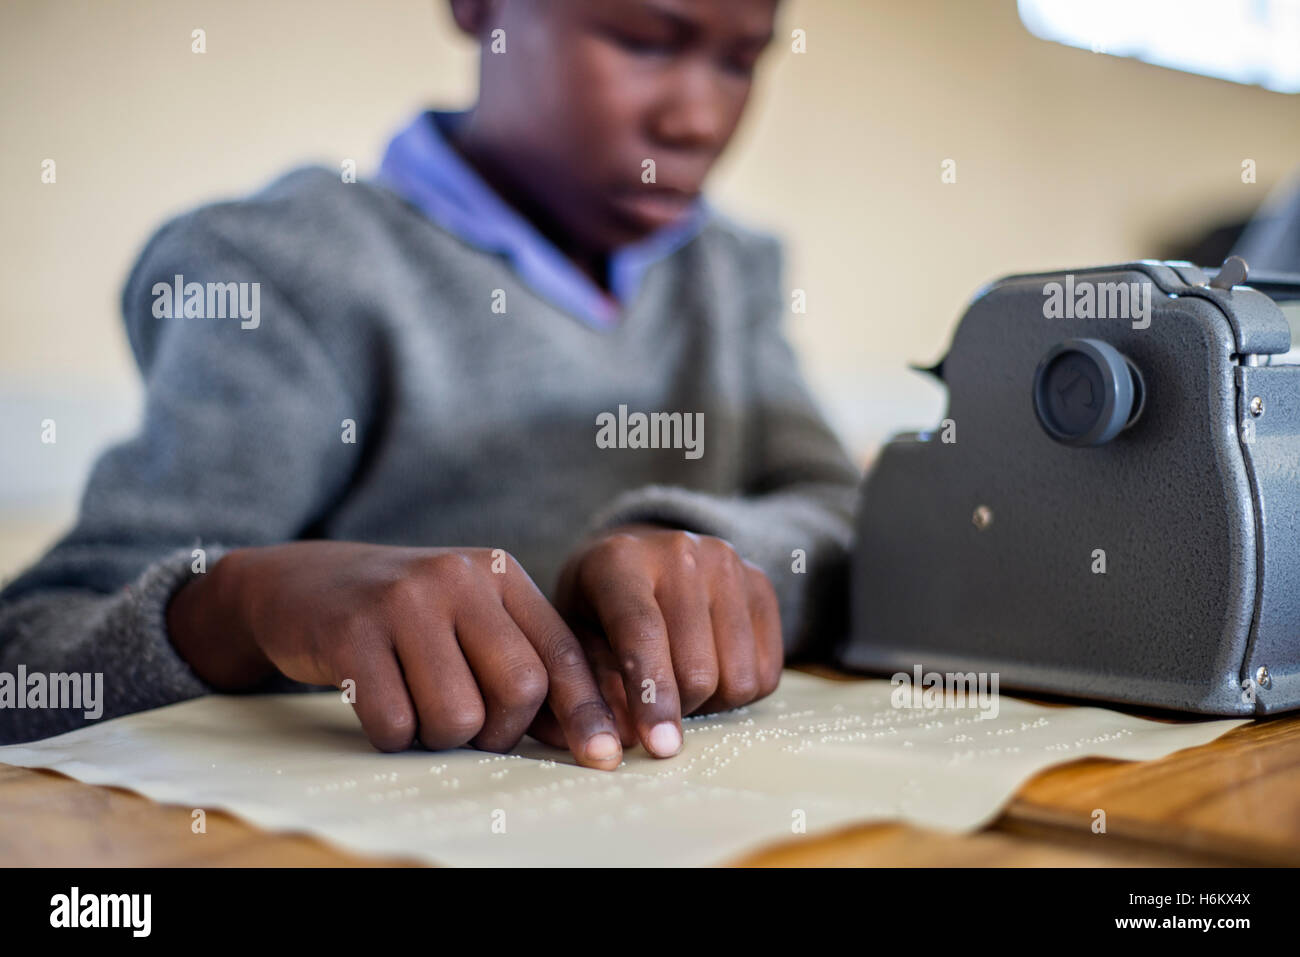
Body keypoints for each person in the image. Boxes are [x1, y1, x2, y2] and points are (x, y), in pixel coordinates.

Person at [0, 0, 859, 769]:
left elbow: (847, 513)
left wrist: (708, 548)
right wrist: (242, 603)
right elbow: (28, 663)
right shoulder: (284, 272)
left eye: (740, 59)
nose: (698, 118)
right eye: (641, 40)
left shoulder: (727, 273)